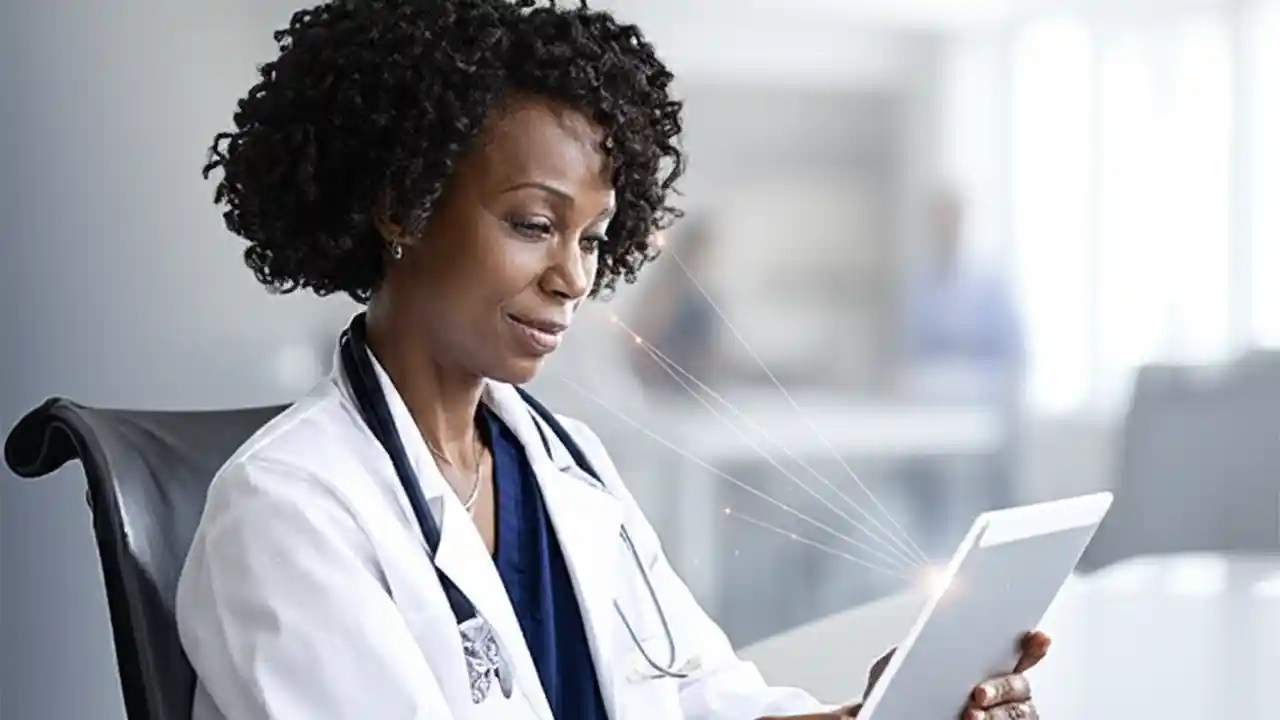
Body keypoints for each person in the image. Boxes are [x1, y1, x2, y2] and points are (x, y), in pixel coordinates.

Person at [176, 2, 1050, 718]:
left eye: (592, 239)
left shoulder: (568, 466)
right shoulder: (287, 513)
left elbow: (706, 697)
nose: (572, 278)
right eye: (532, 224)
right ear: (403, 206)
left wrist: (874, 717)